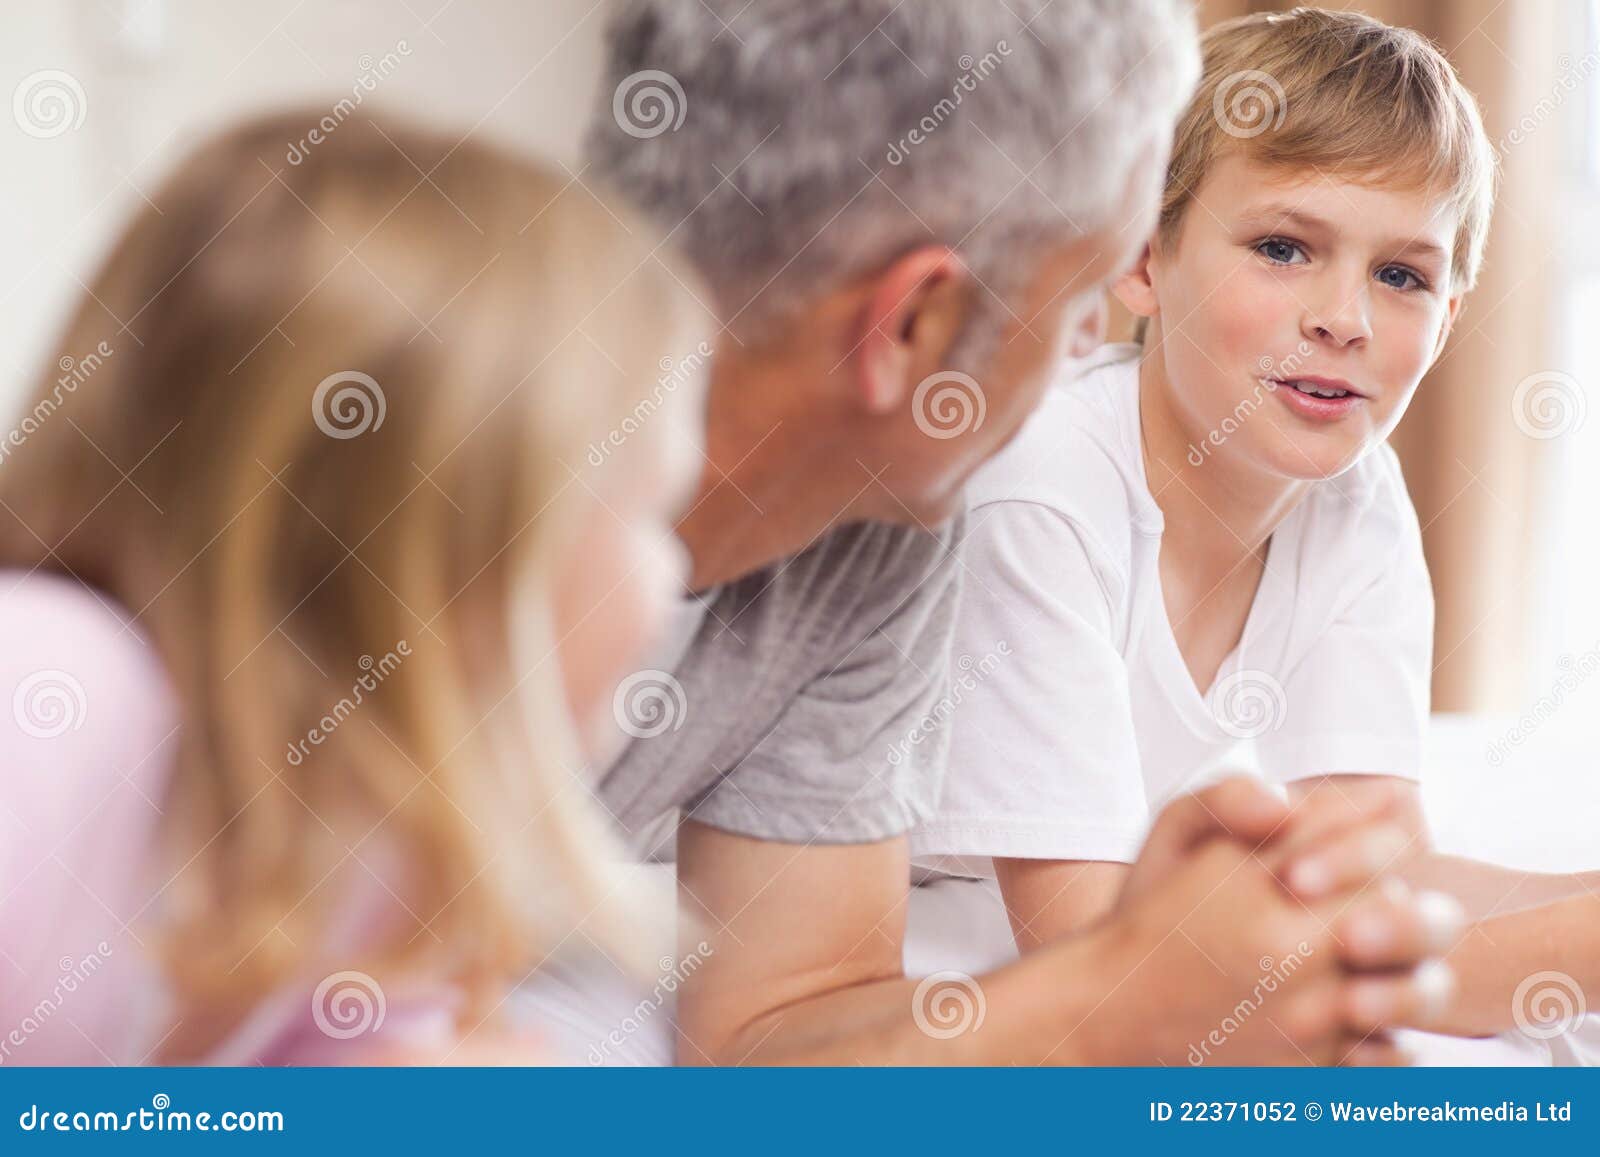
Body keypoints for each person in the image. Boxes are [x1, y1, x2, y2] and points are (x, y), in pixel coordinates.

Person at [574, 0, 1462, 1066]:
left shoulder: (881, 536)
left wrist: (1136, 979)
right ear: (916, 325)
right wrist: (1127, 983)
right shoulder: (436, 457)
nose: (1092, 347)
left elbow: (766, 1035)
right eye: (1077, 302)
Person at [911, 8, 1596, 1058]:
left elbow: (1376, 870)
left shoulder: (1357, 498)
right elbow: (1098, 965)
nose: (1344, 318)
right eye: (1282, 247)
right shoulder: (1040, 488)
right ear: (1142, 260)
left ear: (1448, 318)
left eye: (1402, 274)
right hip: (934, 912)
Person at [0, 110, 709, 1065]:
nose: (678, 578)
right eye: (649, 511)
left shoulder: (354, 831)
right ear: (468, 547)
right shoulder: (53, 700)